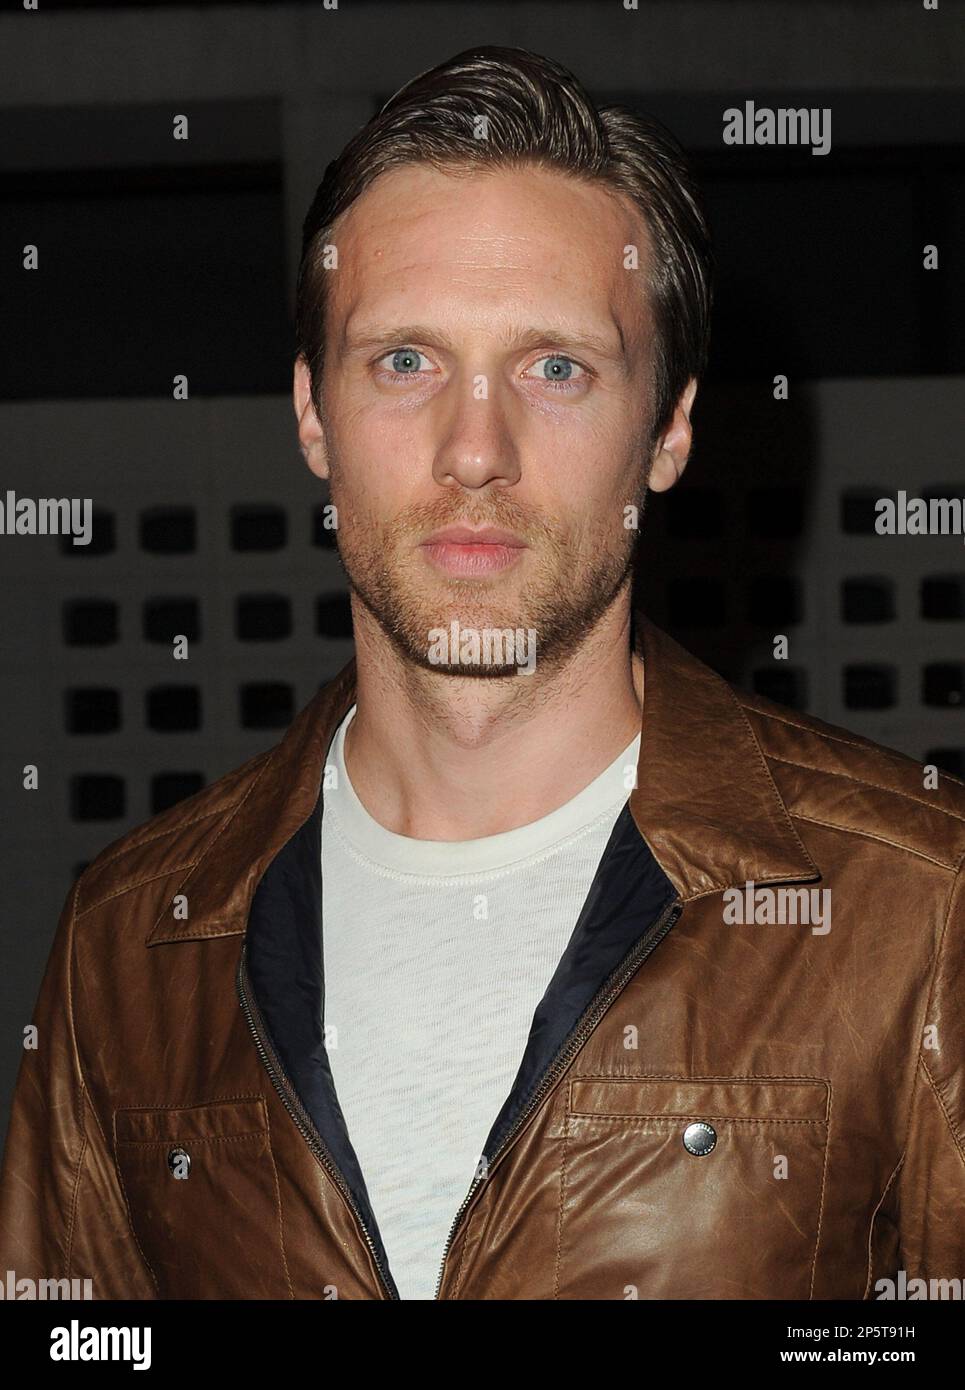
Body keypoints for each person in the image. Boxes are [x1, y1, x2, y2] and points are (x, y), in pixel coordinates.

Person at [1, 45, 962, 1302]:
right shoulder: (128, 937)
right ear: (310, 414)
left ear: (666, 428)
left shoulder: (919, 905)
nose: (472, 449)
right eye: (405, 361)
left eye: (554, 367)